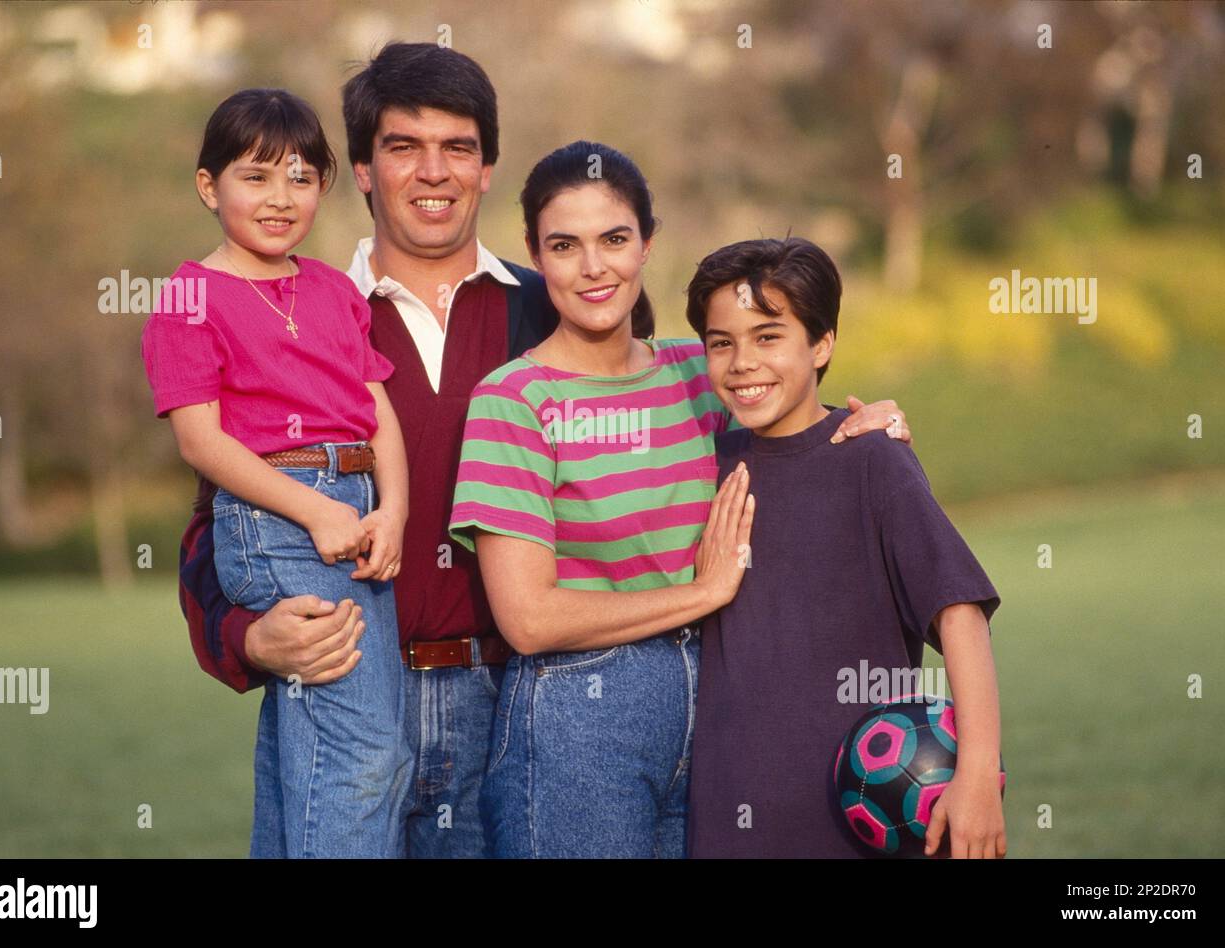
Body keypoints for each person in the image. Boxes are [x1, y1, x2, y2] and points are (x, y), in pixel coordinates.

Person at [176, 43, 908, 858]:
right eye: (403, 147)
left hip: (519, 701)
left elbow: (714, 410)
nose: (433, 172)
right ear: (360, 169)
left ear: (487, 167)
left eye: (458, 147)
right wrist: (244, 636)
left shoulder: (564, 305)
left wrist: (848, 421)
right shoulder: (303, 316)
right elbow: (222, 512)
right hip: (353, 684)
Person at [448, 142, 914, 858]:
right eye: (564, 245)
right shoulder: (512, 402)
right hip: (580, 722)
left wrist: (872, 423)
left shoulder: (702, 372)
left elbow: (792, 421)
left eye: (614, 239)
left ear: (647, 244)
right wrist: (705, 593)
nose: (593, 266)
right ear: (536, 257)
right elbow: (529, 619)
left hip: (722, 713)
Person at [141, 88, 413, 857]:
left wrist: (391, 510)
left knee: (321, 743)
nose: (280, 197)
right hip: (279, 518)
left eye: (301, 177)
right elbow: (202, 442)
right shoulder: (192, 295)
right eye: (255, 176)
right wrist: (315, 511)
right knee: (364, 754)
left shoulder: (331, 289)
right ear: (209, 187)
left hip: (355, 507)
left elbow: (376, 410)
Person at [682, 237, 1005, 858]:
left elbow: (960, 614)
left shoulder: (872, 459)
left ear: (822, 343)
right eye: (722, 342)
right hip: (727, 817)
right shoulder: (705, 466)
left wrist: (979, 777)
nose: (742, 362)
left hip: (862, 816)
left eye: (769, 336)